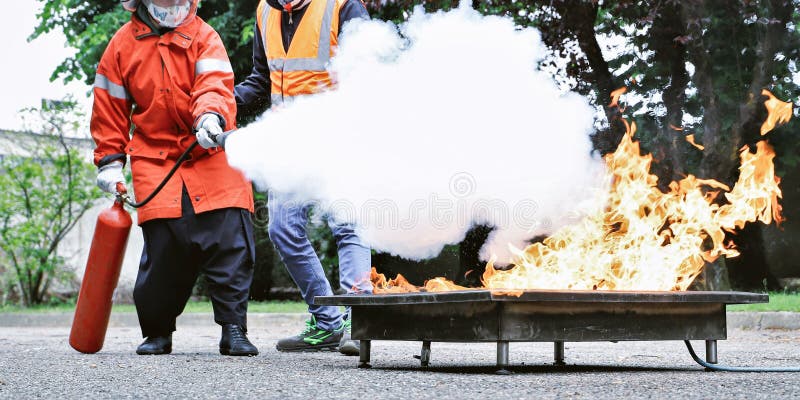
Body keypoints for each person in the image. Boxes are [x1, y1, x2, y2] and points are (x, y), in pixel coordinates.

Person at [91, 0, 258, 356]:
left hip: (210, 151)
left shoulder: (204, 36)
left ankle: (234, 329)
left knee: (229, 237)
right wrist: (109, 161)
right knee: (163, 249)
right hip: (155, 158)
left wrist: (210, 116)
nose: (175, 9)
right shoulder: (121, 46)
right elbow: (109, 107)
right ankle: (157, 332)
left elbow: (215, 84)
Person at [234, 0, 373, 355]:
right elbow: (261, 80)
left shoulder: (344, 7)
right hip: (290, 144)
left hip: (341, 138)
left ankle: (360, 325)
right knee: (282, 227)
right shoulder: (265, 12)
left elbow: (370, 74)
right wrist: (220, 105)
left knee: (348, 226)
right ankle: (328, 322)